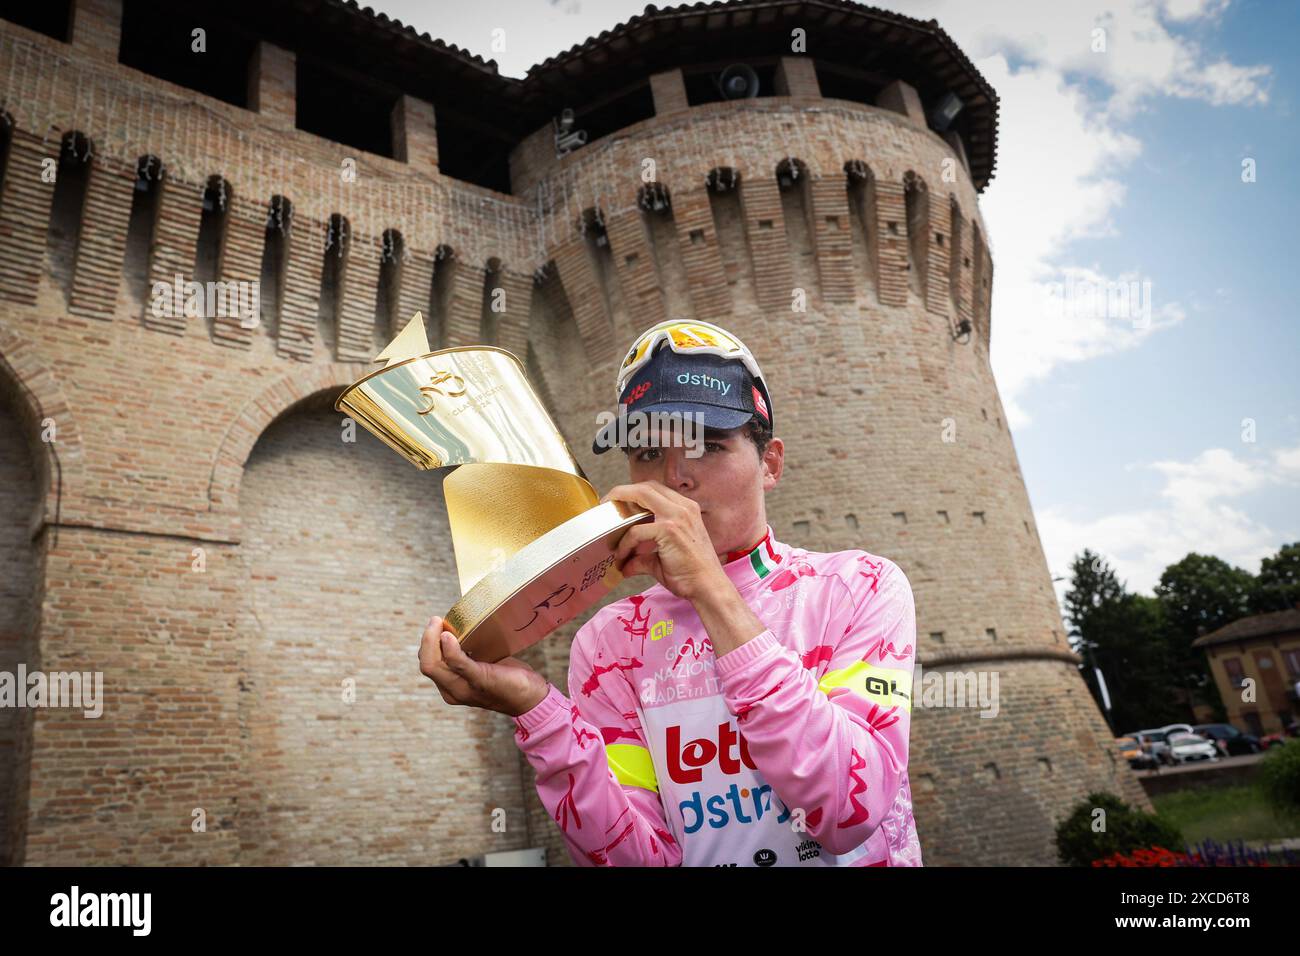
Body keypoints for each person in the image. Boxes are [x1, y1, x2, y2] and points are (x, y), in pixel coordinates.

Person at [418, 319, 922, 867]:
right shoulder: (609, 643)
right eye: (648, 452)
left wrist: (710, 588)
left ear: (770, 463)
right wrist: (537, 712)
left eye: (707, 444)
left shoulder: (860, 588)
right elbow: (636, 858)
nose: (675, 475)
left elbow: (850, 811)